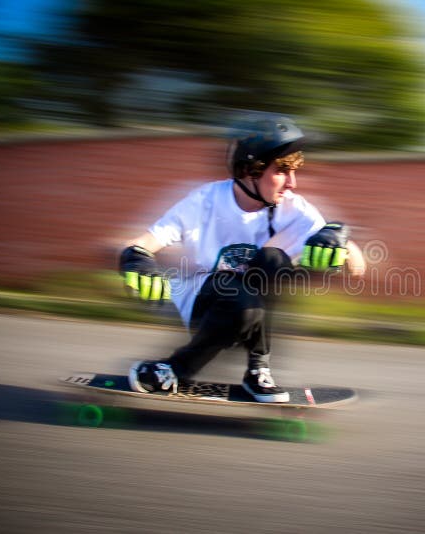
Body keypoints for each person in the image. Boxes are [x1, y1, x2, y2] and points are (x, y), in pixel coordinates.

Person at [118, 113, 365, 402]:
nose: (292, 183)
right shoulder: (205, 201)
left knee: (272, 260)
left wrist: (339, 238)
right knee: (239, 296)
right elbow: (143, 243)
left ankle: (258, 369)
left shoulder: (293, 208)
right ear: (252, 169)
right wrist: (136, 259)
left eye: (294, 172)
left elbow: (357, 268)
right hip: (202, 304)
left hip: (250, 310)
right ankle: (173, 370)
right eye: (282, 171)